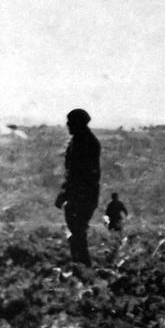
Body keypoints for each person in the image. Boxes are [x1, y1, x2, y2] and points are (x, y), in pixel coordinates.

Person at [55, 109, 100, 267]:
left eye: (70, 121)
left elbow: (77, 174)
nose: (67, 125)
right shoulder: (80, 141)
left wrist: (65, 194)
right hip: (79, 195)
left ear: (78, 123)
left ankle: (82, 267)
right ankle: (80, 266)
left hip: (82, 195)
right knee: (76, 232)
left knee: (77, 232)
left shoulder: (85, 143)